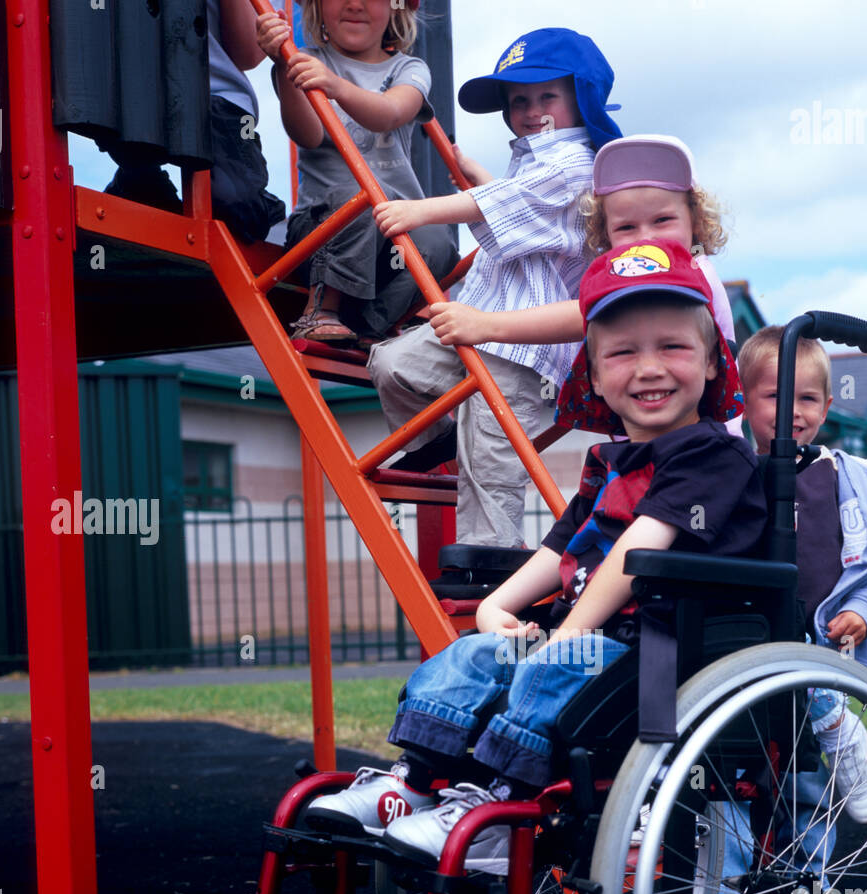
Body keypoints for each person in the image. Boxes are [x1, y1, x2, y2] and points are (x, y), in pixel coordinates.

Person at [311, 239, 766, 872]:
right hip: (591, 645)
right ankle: (410, 786)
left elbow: (643, 544)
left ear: (715, 363)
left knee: (553, 666)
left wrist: (572, 628)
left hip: (664, 651)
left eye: (673, 347)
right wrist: (498, 606)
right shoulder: (607, 462)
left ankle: (500, 815)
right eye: (622, 353)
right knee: (470, 653)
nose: (648, 368)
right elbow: (562, 547)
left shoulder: (712, 455)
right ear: (597, 375)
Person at [367, 28, 623, 547]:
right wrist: (477, 174)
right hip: (475, 320)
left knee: (490, 454)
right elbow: (522, 206)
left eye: (547, 96)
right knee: (392, 365)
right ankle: (439, 436)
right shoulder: (532, 162)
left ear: (583, 96)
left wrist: (419, 210)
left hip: (524, 347)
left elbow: (516, 201)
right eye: (518, 100)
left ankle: (493, 556)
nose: (531, 110)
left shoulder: (583, 164)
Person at [422, 134, 736, 437]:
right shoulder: (658, 270)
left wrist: (485, 325)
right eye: (626, 227)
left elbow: (581, 314)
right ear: (605, 234)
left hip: (692, 439)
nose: (645, 238)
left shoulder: (681, 272)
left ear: (694, 221)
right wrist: (486, 181)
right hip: (647, 434)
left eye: (662, 221)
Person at [738, 326, 867, 873]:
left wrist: (863, 612)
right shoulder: (731, 471)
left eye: (807, 398)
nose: (793, 411)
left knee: (809, 775)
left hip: (817, 644)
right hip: (746, 643)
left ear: (828, 406)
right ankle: (735, 884)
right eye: (774, 397)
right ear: (743, 399)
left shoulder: (849, 481)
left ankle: (809, 876)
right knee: (739, 774)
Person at [257, 0, 457, 343]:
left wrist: (336, 87)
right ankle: (320, 309)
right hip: (322, 233)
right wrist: (282, 65)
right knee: (365, 197)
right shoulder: (308, 61)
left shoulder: (409, 68)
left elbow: (391, 112)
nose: (355, 5)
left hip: (390, 240)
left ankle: (372, 325)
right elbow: (308, 135)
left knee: (440, 244)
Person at [101, 0, 285, 243]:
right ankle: (138, 180)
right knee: (134, 158)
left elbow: (248, 52)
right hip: (139, 89)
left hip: (219, 97)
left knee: (239, 210)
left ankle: (259, 201)